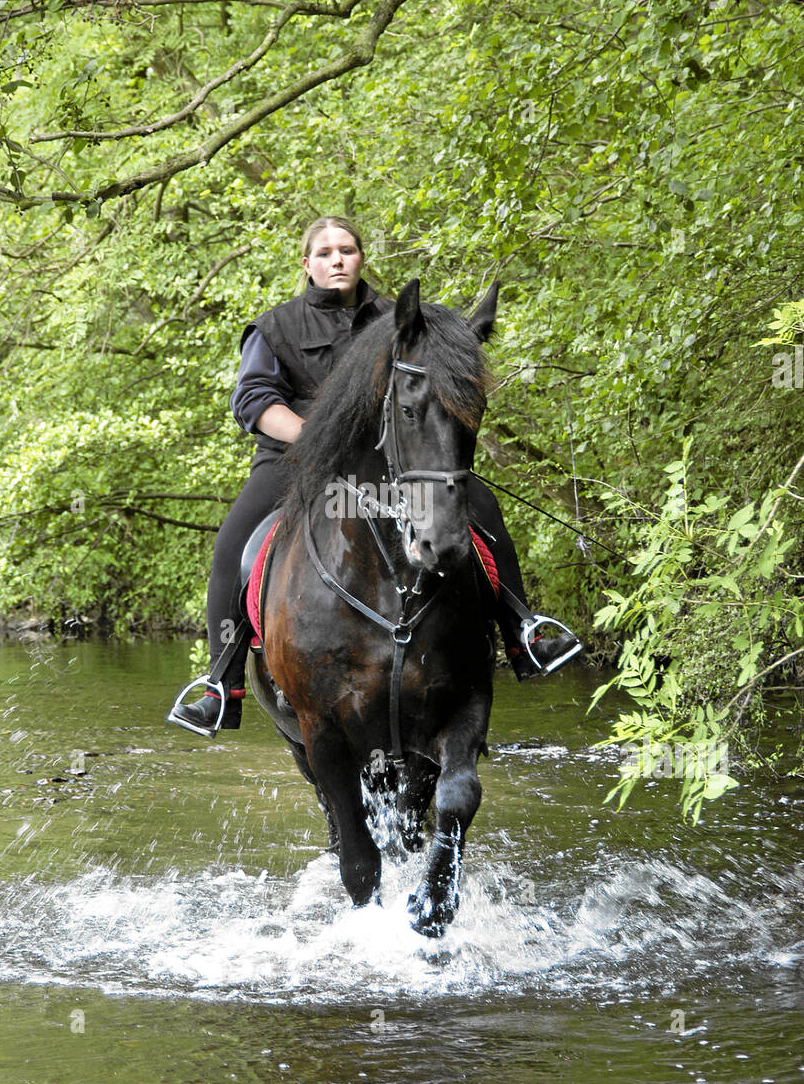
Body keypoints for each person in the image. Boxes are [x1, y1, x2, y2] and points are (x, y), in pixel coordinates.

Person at [168, 217, 580, 737]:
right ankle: (219, 684)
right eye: (324, 252)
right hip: (294, 462)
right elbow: (253, 401)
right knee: (235, 544)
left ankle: (525, 630)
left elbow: (434, 384)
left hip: (388, 462)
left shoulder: (397, 319)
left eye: (346, 250)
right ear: (307, 264)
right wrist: (315, 440)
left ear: (362, 257)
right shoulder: (275, 327)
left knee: (479, 503)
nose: (336, 260)